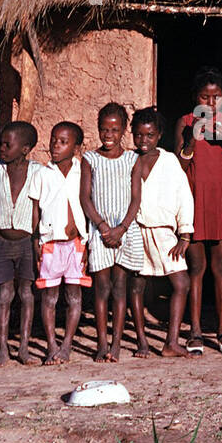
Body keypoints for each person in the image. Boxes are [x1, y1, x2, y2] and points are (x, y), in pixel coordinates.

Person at [176, 68, 222, 354]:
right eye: (204, 97)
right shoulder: (185, 121)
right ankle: (194, 331)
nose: (210, 102)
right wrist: (191, 140)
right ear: (195, 98)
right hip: (194, 198)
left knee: (221, 268)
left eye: (216, 97)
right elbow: (179, 167)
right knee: (196, 268)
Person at [115, 107, 195, 357]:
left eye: (149, 135)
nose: (143, 141)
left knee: (181, 282)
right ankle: (141, 341)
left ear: (159, 135)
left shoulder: (170, 160)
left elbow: (184, 196)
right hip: (136, 231)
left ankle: (171, 341)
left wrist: (185, 233)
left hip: (163, 233)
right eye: (138, 135)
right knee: (137, 286)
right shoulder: (128, 161)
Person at [80, 103, 140, 362]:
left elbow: (136, 199)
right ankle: (101, 343)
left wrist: (121, 228)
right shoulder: (89, 160)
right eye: (104, 129)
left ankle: (116, 344)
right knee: (101, 287)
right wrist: (103, 227)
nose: (109, 135)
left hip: (125, 229)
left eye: (115, 130)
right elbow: (85, 198)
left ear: (124, 130)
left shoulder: (132, 159)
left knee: (119, 288)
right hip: (100, 231)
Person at [0, 121, 41, 366]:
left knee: (26, 294)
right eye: (0, 143)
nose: (1, 148)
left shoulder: (38, 171)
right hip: (2, 242)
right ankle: (3, 349)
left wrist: (38, 239)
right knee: (4, 295)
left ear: (25, 149)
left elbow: (40, 207)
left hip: (26, 242)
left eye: (7, 144)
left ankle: (24, 348)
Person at [29, 122, 91, 365]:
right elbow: (35, 210)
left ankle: (67, 345)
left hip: (76, 243)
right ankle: (51, 345)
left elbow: (87, 206)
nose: (56, 145)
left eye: (63, 141)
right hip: (50, 243)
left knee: (74, 297)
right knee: (50, 297)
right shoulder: (42, 174)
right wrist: (35, 238)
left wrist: (89, 242)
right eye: (54, 139)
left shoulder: (83, 171)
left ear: (76, 147)